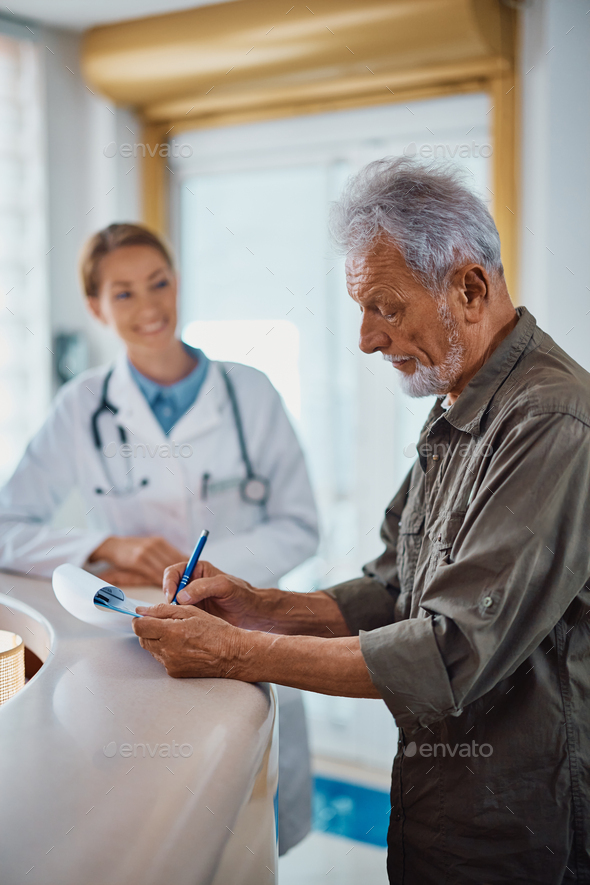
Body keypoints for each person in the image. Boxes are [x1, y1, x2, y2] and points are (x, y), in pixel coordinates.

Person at [134, 159, 590, 884]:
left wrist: (232, 653)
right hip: (439, 808)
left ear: (469, 288)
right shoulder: (460, 406)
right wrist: (259, 608)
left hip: (517, 832)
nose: (367, 339)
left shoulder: (551, 421)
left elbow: (450, 652)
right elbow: (392, 588)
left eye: (384, 306)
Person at [0, 222, 319, 854]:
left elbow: (302, 524)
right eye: (123, 293)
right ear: (95, 306)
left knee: (251, 835)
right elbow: (7, 527)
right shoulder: (81, 405)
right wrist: (102, 548)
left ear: (177, 283)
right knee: (156, 827)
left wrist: (220, 576)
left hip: (248, 635)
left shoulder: (249, 394)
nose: (148, 306)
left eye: (159, 283)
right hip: (131, 652)